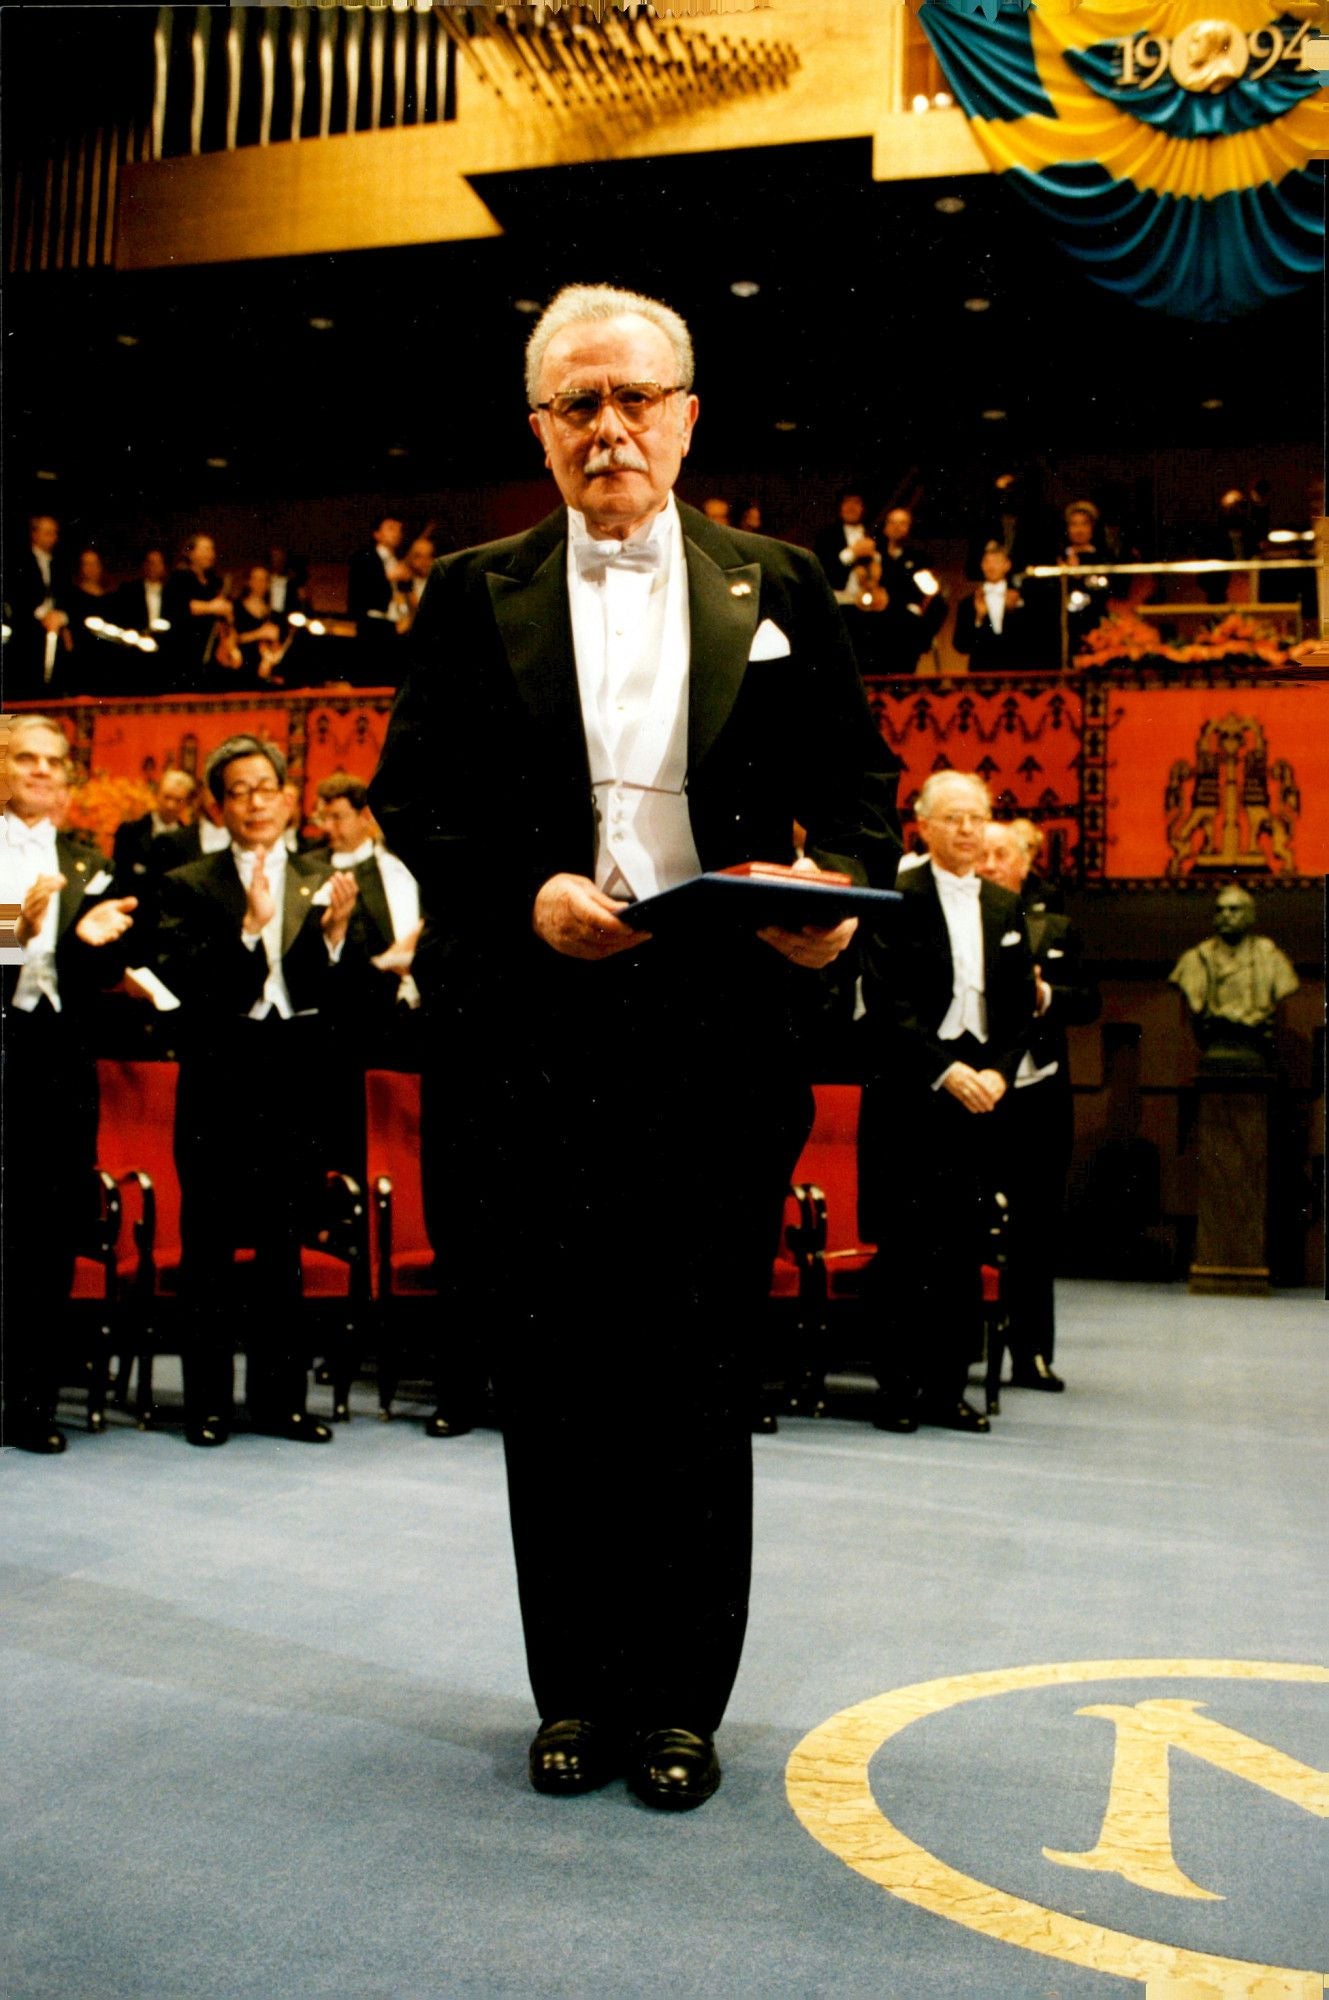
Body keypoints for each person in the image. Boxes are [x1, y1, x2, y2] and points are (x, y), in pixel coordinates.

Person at [369, 281, 898, 1812]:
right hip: (530, 1034)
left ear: (687, 414)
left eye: (635, 399)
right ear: (539, 430)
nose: (609, 428)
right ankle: (575, 1692)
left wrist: (832, 909)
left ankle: (677, 1698)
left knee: (692, 1369)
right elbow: (420, 801)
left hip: (718, 1029)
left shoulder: (780, 579)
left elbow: (858, 789)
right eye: (575, 404)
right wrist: (519, 895)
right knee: (558, 1373)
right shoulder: (474, 590)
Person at [154, 734, 365, 1448]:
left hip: (292, 1080)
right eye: (238, 790)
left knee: (284, 1247)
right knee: (208, 1246)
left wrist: (335, 938)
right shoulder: (190, 882)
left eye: (265, 787)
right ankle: (206, 1405)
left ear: (287, 795)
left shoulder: (322, 875)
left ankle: (280, 1404)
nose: (254, 801)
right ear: (220, 804)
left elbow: (336, 997)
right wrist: (246, 933)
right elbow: (193, 993)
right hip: (219, 1078)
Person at [857, 771, 1034, 1433]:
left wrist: (999, 1072)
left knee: (963, 1252)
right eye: (951, 817)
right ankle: (897, 1391)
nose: (965, 829)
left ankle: (946, 1390)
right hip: (912, 1097)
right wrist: (946, 1069)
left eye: (975, 817)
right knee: (905, 1251)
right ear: (922, 825)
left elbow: (1019, 1007)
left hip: (981, 1103)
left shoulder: (1002, 905)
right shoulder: (895, 896)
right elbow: (886, 1004)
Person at [1, 715, 139, 1451]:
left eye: (55, 762)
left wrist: (88, 948)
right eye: (26, 758)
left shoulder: (89, 862)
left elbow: (106, 978)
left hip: (57, 1063)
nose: (42, 772)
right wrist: (14, 929)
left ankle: (30, 1404)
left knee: (49, 1236)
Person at [977, 819, 1100, 1391]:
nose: (993, 863)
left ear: (1025, 863)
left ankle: (1032, 1354)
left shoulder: (1057, 927)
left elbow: (1089, 1002)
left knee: (1035, 1229)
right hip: (975, 1092)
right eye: (985, 853)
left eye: (1004, 854)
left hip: (1039, 1096)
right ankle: (962, 1348)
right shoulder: (960, 919)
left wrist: (1046, 994)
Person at [1169, 885, 1298, 1069]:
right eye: (1220, 910)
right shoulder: (1195, 960)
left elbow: (1286, 987)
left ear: (1250, 916)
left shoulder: (1272, 959)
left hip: (1255, 1053)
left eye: (1234, 909)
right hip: (1214, 1049)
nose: (1226, 915)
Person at [875, 505, 948, 673]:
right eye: (892, 522)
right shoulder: (874, 557)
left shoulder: (920, 561)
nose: (897, 527)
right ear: (885, 527)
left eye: (902, 523)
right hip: (875, 633)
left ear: (909, 528)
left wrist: (924, 636)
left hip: (906, 633)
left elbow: (934, 599)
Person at [6, 515, 70, 701]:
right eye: (48, 533)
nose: (53, 538)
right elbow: (15, 596)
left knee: (54, 683)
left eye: (55, 533)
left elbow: (68, 598)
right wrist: (43, 615)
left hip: (56, 631)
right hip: (28, 632)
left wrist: (61, 616)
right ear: (34, 534)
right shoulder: (18, 561)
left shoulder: (60, 564)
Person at [162, 534, 231, 693]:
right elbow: (182, 606)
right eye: (206, 549)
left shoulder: (212, 580)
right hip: (184, 648)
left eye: (212, 549)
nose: (211, 554)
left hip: (208, 648)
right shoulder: (179, 577)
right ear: (190, 553)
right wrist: (213, 607)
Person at [951, 543, 1032, 668]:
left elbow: (1034, 642)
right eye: (987, 562)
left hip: (1017, 675)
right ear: (982, 566)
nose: (991, 567)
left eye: (997, 561)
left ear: (1007, 565)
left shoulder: (1021, 599)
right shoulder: (968, 603)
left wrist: (1013, 611)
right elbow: (961, 646)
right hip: (981, 676)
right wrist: (978, 619)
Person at [348, 515, 408, 680]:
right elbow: (360, 591)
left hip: (395, 625)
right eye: (390, 528)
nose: (396, 533)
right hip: (373, 626)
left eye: (399, 529)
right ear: (377, 534)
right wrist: (388, 577)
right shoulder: (365, 557)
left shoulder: (398, 560)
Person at [814, 491, 876, 596]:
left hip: (868, 602)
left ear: (863, 508)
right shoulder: (827, 535)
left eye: (856, 503)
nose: (851, 507)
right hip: (838, 599)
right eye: (847, 502)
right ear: (840, 507)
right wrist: (852, 553)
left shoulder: (873, 534)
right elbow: (821, 570)